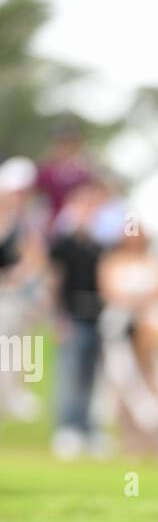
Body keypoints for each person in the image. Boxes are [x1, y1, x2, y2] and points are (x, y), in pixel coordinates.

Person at [97, 224, 158, 456]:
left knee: (155, 378)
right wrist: (131, 303)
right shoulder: (113, 261)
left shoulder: (155, 263)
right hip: (120, 329)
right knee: (123, 380)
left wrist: (142, 306)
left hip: (149, 326)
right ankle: (132, 439)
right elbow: (108, 290)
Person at [49, 179, 110, 458]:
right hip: (72, 316)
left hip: (96, 318)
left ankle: (88, 428)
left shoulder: (99, 248)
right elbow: (55, 282)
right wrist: (58, 317)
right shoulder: (64, 245)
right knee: (71, 374)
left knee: (92, 376)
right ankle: (68, 427)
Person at [0, 157, 47, 423]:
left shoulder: (26, 222)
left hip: (12, 298)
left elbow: (35, 257)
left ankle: (11, 396)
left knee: (14, 348)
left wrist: (18, 276)